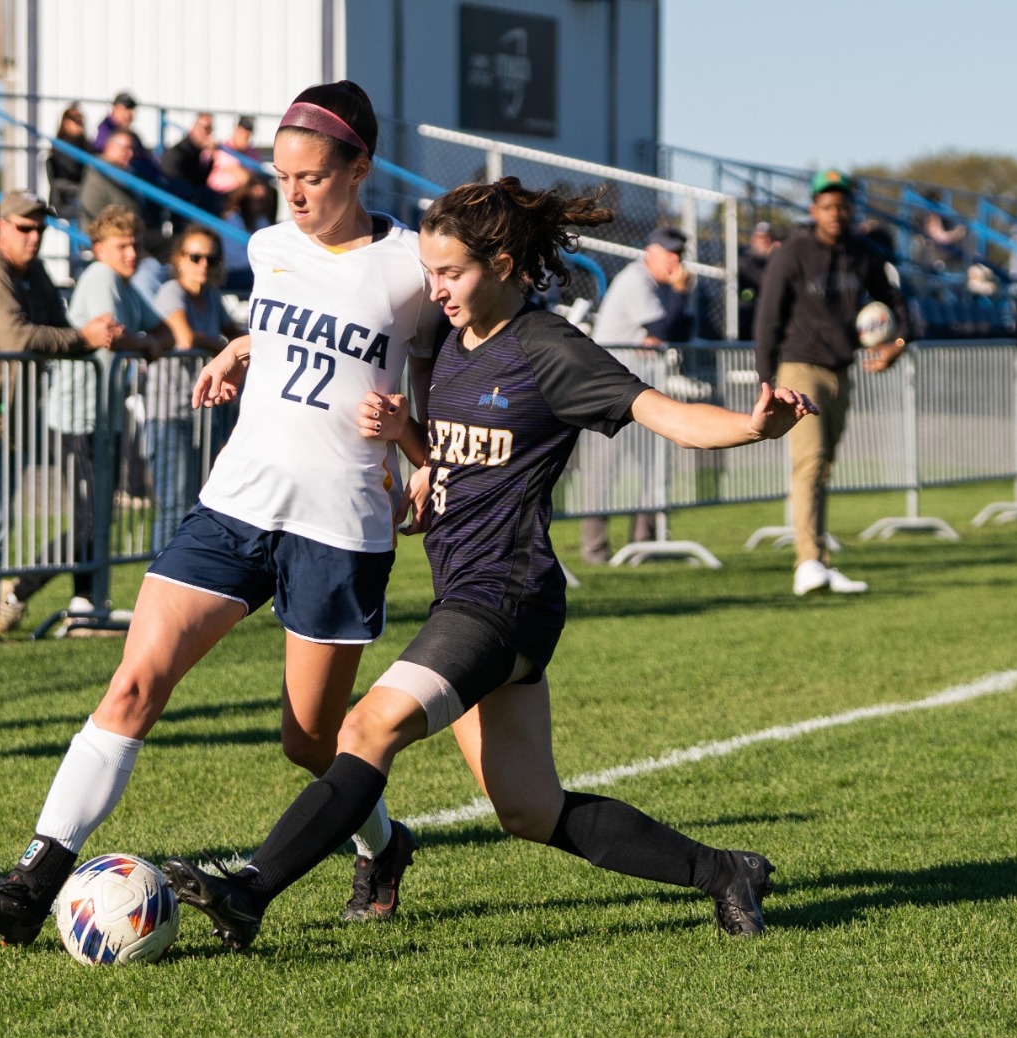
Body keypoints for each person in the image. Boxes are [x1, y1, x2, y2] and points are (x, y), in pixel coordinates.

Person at [161, 178, 816, 951]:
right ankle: (724, 871)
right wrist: (413, 448)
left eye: (451, 273)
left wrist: (751, 429)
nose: (434, 289)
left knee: (368, 726)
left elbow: (661, 414)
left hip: (506, 597)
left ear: (504, 263)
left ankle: (249, 890)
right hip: (466, 594)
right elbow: (441, 447)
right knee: (529, 809)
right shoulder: (445, 341)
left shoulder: (549, 347)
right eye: (431, 273)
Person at [0, 81, 442, 950]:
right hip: (235, 504)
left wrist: (421, 454)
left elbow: (448, 362)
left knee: (311, 743)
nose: (295, 194)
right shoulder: (271, 242)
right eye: (283, 176)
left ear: (361, 166)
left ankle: (384, 846)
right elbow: (289, 327)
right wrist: (243, 349)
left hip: (338, 524)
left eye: (314, 176)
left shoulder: (415, 265)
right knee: (133, 683)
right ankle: (32, 881)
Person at [0, 192, 120, 646]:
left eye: (40, 229)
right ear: (1, 227)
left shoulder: (33, 272)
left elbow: (58, 325)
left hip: (9, 419)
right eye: (24, 227)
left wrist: (93, 336)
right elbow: (16, 337)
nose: (33, 237)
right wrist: (83, 336)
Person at [754, 169, 910, 597]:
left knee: (823, 468)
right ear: (814, 209)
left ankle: (820, 561)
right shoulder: (792, 253)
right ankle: (806, 563)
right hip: (799, 368)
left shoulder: (864, 252)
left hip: (842, 369)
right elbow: (767, 319)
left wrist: (898, 342)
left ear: (851, 209)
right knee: (809, 462)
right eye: (827, 206)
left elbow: (896, 302)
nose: (835, 213)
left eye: (842, 206)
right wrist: (766, 382)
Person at [579, 226, 693, 563]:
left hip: (638, 394)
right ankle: (595, 552)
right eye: (669, 253)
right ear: (650, 252)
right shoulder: (637, 279)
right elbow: (663, 329)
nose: (676, 261)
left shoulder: (661, 286)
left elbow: (681, 331)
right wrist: (680, 294)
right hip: (608, 392)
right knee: (604, 471)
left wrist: (677, 301)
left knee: (654, 468)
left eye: (679, 254)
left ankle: (647, 545)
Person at [144, 226, 243, 545]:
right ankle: (159, 582)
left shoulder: (211, 296)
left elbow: (237, 335)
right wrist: (223, 346)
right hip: (169, 415)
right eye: (195, 257)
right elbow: (185, 339)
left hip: (203, 415)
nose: (203, 264)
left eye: (211, 259)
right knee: (173, 507)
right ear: (179, 259)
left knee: (199, 505)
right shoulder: (172, 291)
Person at [79, 130, 153, 234]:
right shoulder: (103, 172)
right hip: (111, 234)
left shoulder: (119, 172)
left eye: (132, 149)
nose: (130, 154)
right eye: (126, 148)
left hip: (122, 231)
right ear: (110, 147)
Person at [93, 91, 163, 184]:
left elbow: (145, 157)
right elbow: (107, 155)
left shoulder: (131, 134)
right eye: (126, 108)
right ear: (114, 109)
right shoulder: (106, 130)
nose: (129, 114)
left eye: (132, 109)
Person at [161, 111, 221, 213]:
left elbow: (201, 180)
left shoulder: (195, 151)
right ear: (194, 127)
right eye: (205, 128)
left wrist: (211, 157)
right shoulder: (180, 151)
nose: (208, 134)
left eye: (210, 129)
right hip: (178, 197)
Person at [46, 103, 92, 217]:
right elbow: (66, 177)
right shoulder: (61, 148)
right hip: (67, 199)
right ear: (65, 123)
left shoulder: (85, 146)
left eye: (80, 119)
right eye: (74, 119)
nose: (79, 122)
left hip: (81, 196)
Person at [206, 116, 259, 198]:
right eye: (242, 132)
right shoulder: (224, 149)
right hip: (217, 194)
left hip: (240, 197)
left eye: (247, 135)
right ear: (236, 130)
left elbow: (258, 173)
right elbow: (242, 177)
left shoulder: (251, 152)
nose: (244, 137)